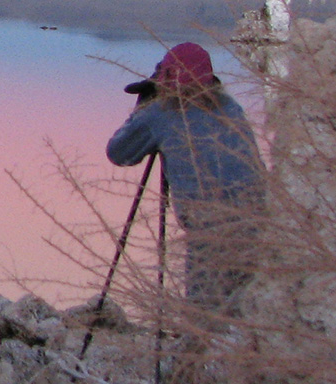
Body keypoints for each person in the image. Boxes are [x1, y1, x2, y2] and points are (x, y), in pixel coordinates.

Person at [107, 42, 264, 308]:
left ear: (166, 79)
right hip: (259, 218)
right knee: (244, 303)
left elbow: (119, 152)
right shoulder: (230, 106)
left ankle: (201, 343)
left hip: (209, 224)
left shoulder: (161, 113)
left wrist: (143, 109)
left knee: (206, 310)